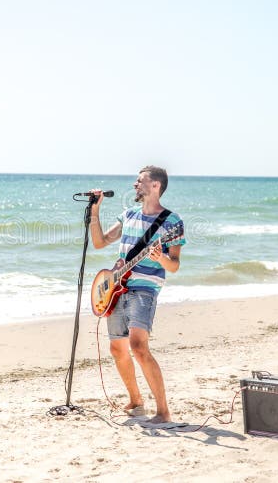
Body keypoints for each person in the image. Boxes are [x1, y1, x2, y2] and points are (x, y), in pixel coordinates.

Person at [90, 165, 186, 424]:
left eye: (140, 181)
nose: (135, 184)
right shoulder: (129, 214)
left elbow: (174, 265)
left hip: (145, 288)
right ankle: (136, 401)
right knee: (116, 348)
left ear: (155, 186)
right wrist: (95, 210)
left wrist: (161, 257)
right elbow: (99, 243)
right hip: (117, 287)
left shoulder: (172, 222)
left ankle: (163, 411)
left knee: (138, 346)